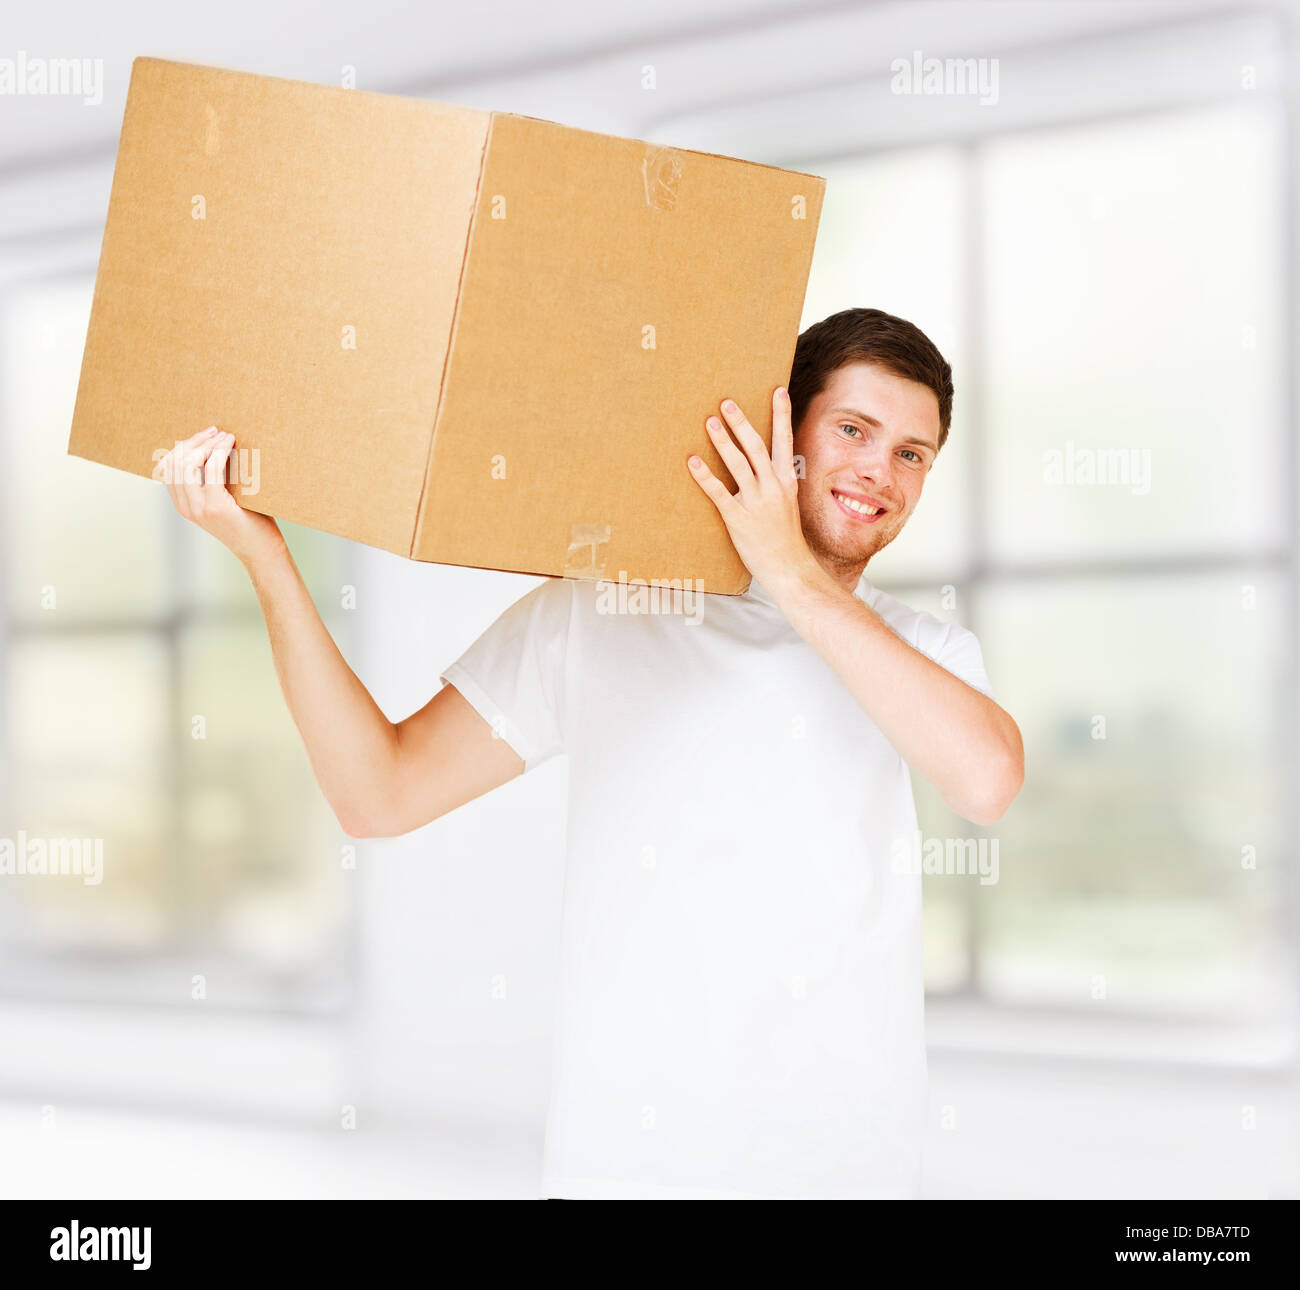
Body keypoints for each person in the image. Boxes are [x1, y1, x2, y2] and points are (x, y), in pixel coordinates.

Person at [159, 306, 1024, 1200]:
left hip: (845, 1173)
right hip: (627, 1164)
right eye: (853, 430)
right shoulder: (604, 612)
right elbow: (378, 794)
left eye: (912, 454)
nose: (880, 471)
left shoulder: (927, 653)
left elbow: (988, 782)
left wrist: (790, 573)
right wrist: (265, 556)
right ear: (782, 433)